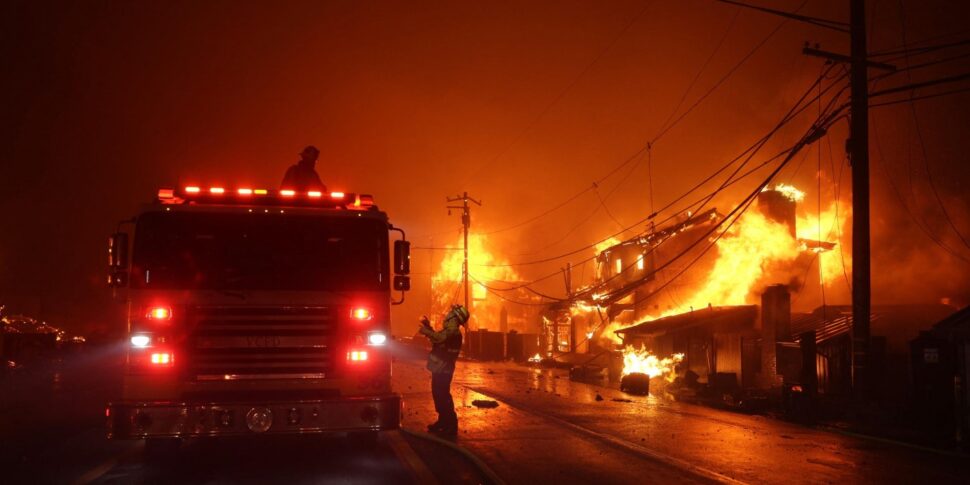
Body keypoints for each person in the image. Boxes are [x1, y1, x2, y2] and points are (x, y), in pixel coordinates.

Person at [418, 304, 469, 437]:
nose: (448, 314)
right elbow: (437, 339)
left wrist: (425, 331)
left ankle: (451, 425)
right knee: (438, 395)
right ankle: (442, 422)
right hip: (439, 367)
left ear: (455, 317)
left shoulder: (453, 332)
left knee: (444, 396)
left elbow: (439, 338)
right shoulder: (449, 331)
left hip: (444, 369)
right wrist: (428, 327)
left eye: (451, 312)